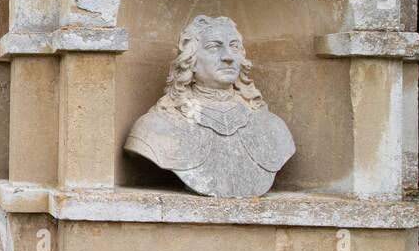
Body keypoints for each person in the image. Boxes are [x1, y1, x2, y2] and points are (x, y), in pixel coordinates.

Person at [124, 15, 294, 197]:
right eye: (214, 47)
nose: (228, 57)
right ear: (191, 61)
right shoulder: (155, 128)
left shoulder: (272, 127)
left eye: (235, 47)